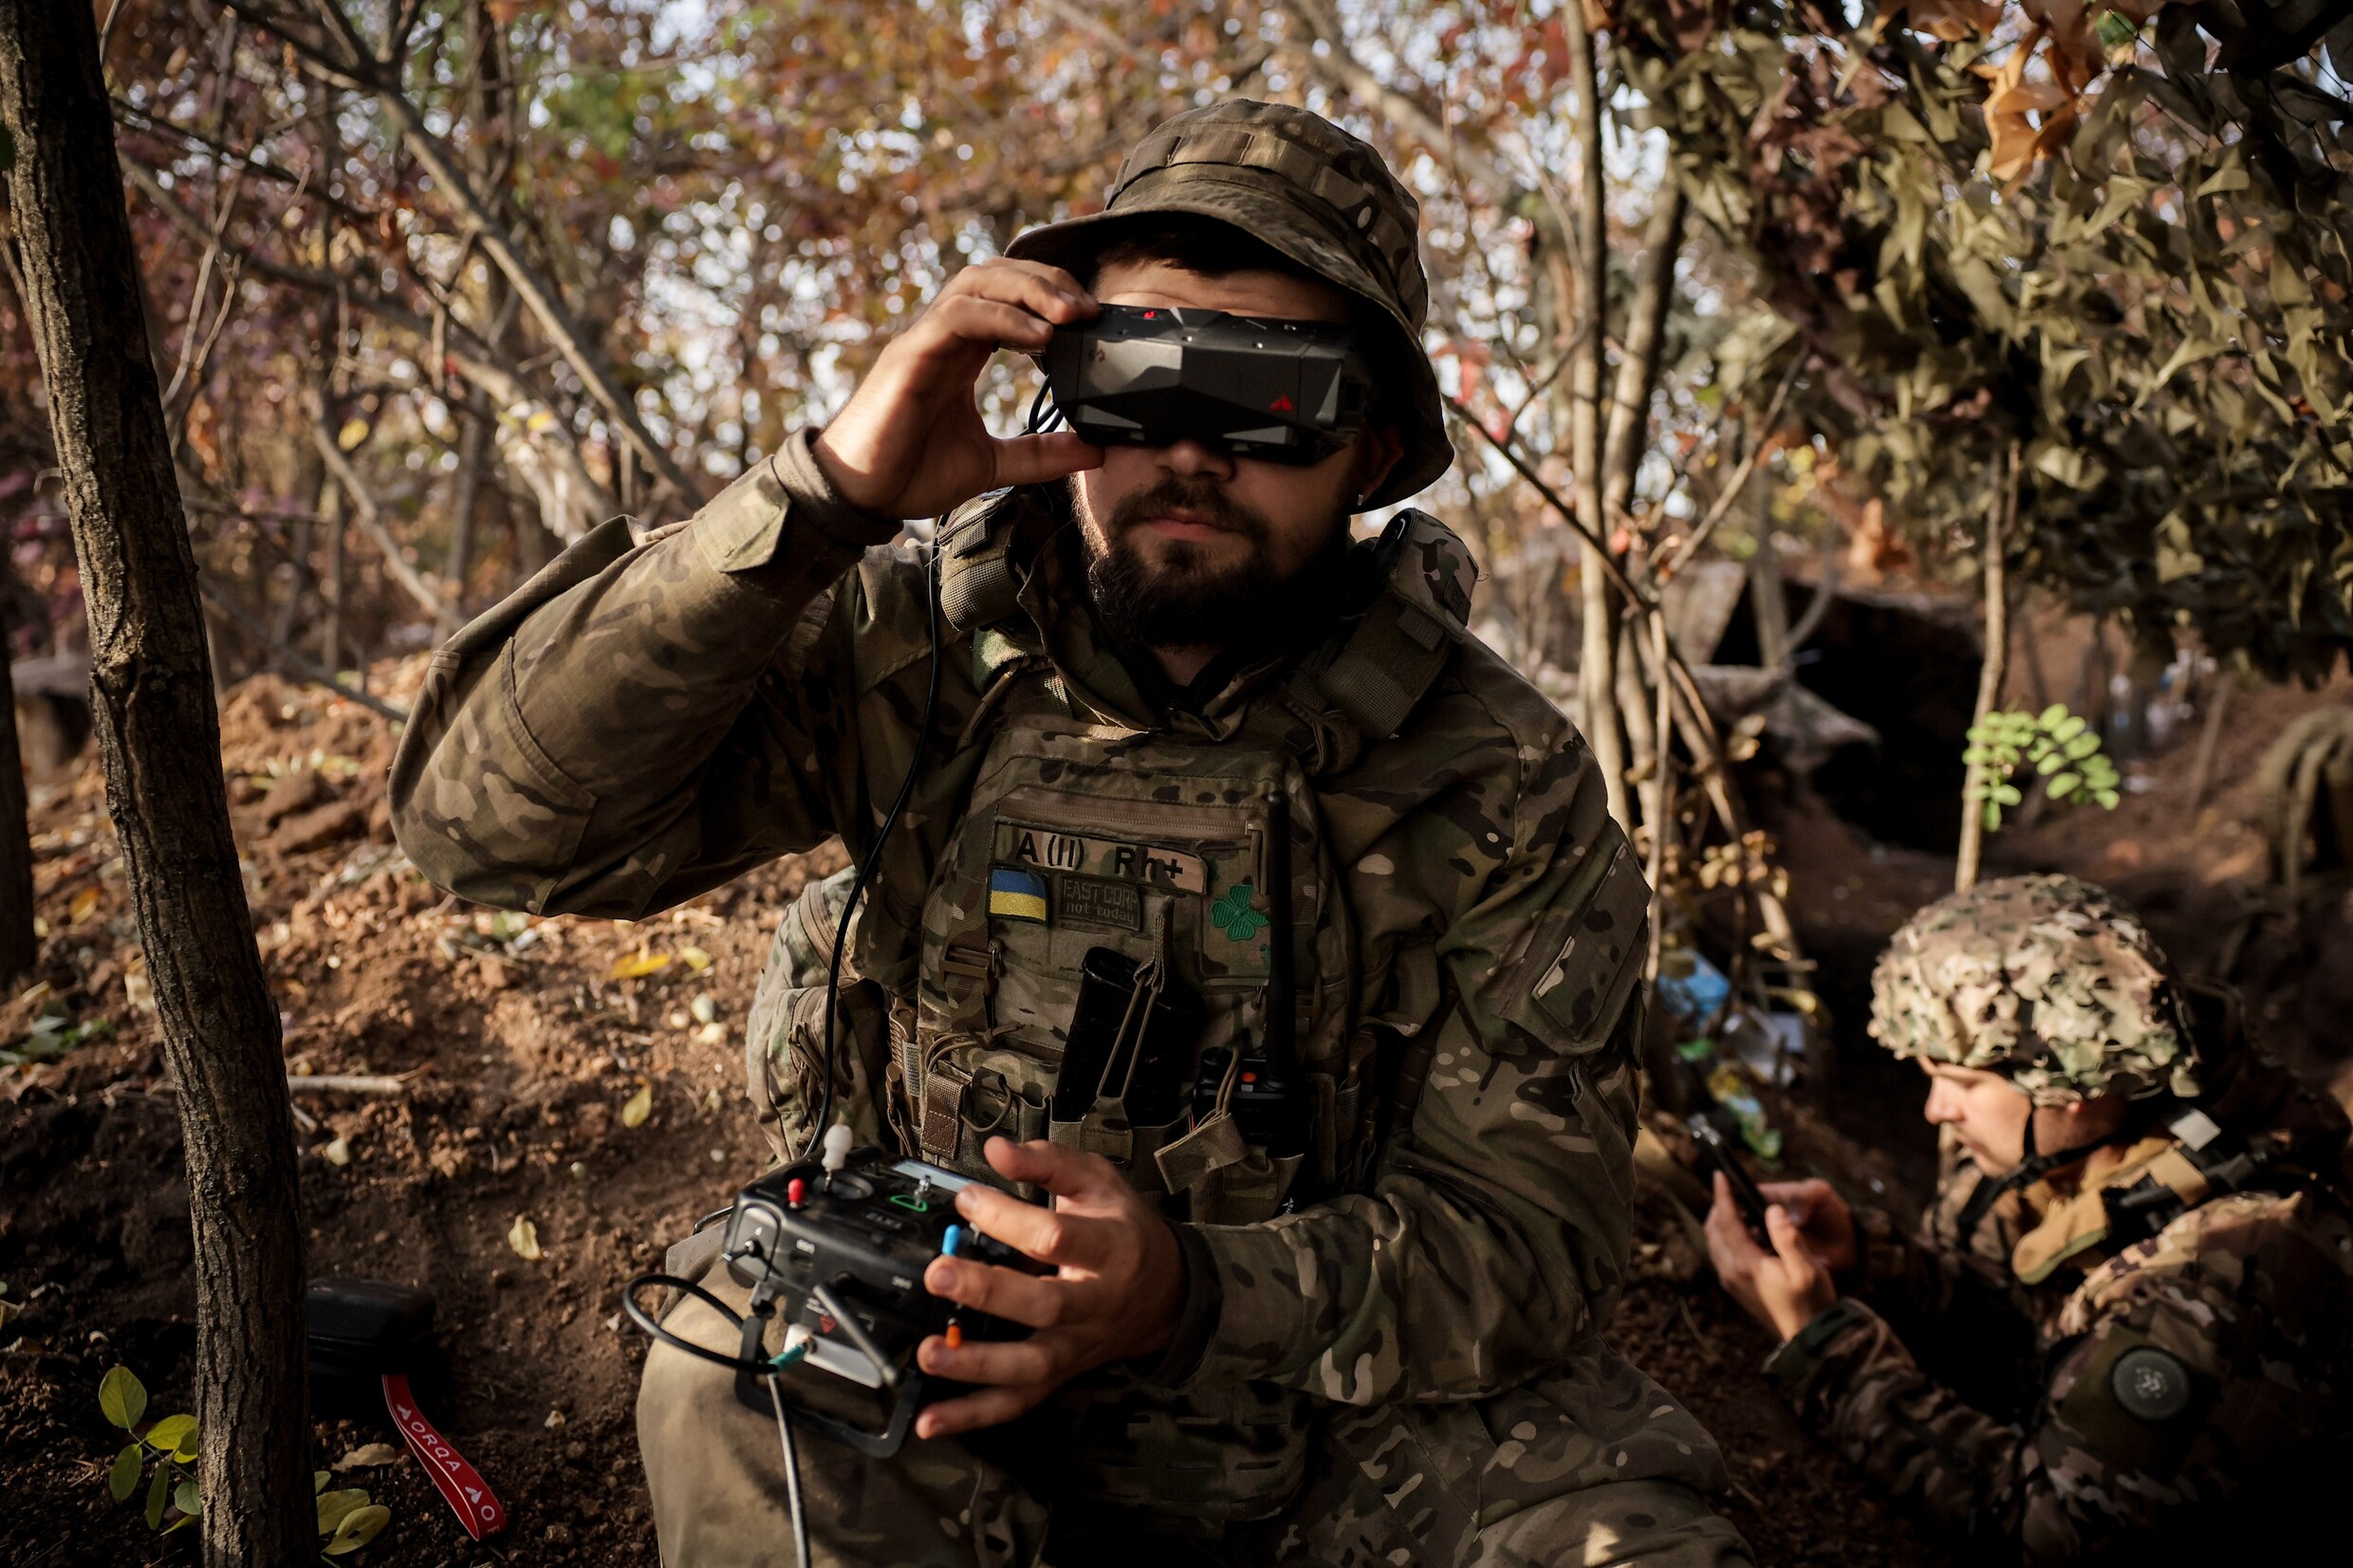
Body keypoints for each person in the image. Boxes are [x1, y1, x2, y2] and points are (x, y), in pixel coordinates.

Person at [392, 99, 1750, 1567]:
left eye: (1266, 392)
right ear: (1054, 384)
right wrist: (822, 495)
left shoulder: (1498, 777)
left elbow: (1532, 1242)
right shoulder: (914, 657)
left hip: (1338, 1430)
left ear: (1369, 447)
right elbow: (488, 827)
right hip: (948, 1373)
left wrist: (1187, 1291)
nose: (1189, 449)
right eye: (1139, 373)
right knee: (734, 1371)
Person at [1704, 874, 2353, 1561]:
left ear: (2072, 1085)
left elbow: (2053, 1534)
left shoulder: (2232, 1265)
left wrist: (1825, 1348)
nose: (1936, 1110)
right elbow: (2022, 1326)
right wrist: (1872, 1258)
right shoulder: (2055, 1146)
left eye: (1963, 1083)